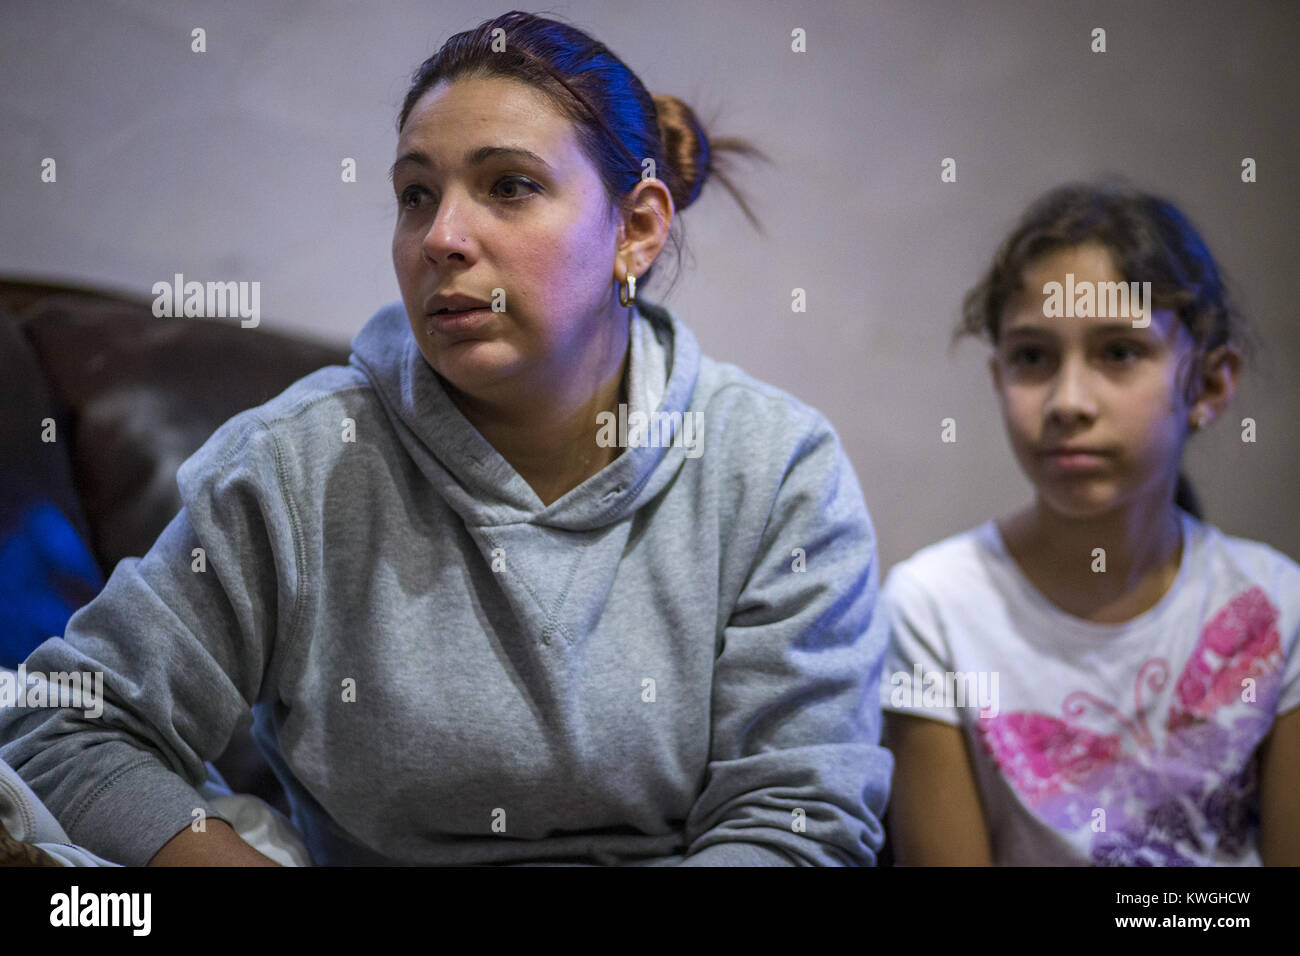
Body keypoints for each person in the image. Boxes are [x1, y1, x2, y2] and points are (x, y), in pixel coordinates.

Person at [0, 10, 892, 866]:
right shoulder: (297, 464)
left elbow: (797, 818)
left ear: (637, 229)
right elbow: (67, 725)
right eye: (416, 195)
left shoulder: (777, 472)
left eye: (509, 186)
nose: (441, 237)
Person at [880, 181, 1300, 865]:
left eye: (1118, 353)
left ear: (1209, 385)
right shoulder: (932, 610)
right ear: (997, 377)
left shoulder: (1278, 607)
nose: (1067, 401)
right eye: (1032, 357)